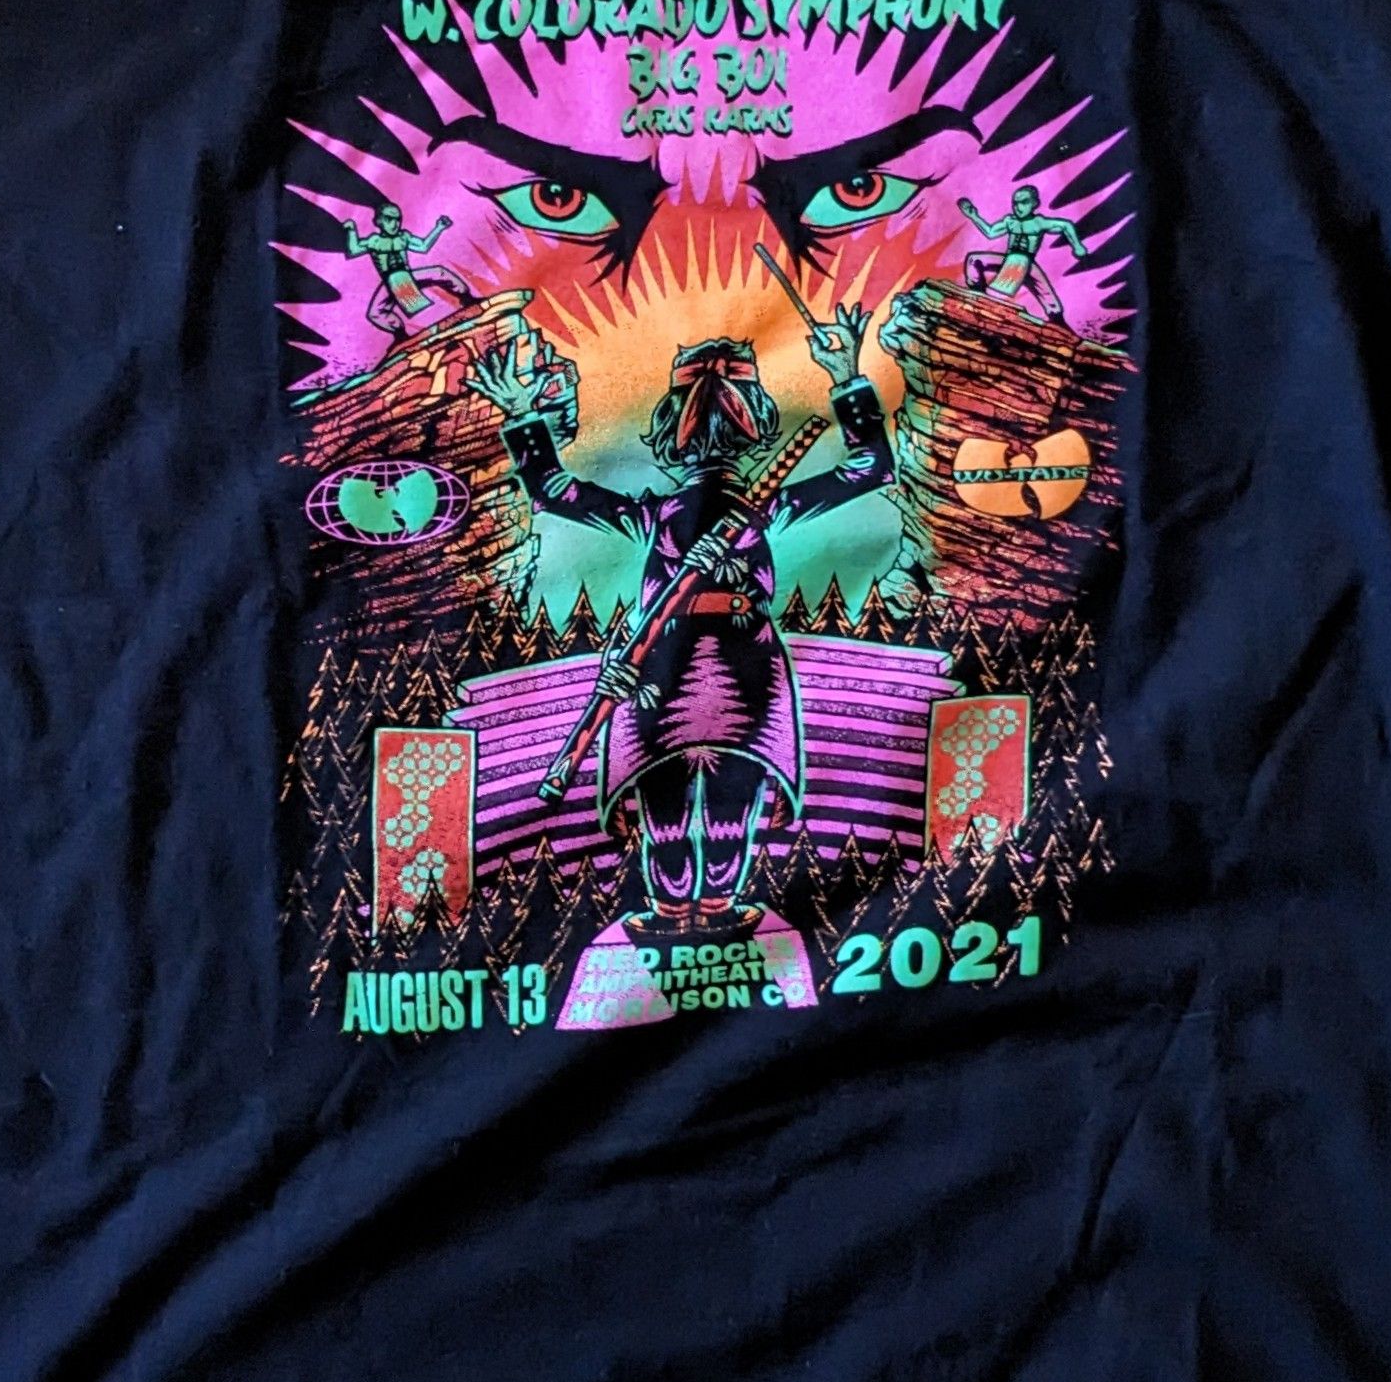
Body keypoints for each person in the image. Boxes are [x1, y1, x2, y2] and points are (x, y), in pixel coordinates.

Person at [471, 309, 892, 937]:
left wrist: (848, 377)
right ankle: (672, 910)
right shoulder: (667, 516)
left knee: (732, 792)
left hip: (742, 665)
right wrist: (520, 414)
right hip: (662, 663)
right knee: (664, 793)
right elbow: (552, 490)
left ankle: (716, 909)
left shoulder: (748, 511)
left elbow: (871, 470)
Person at [957, 182, 1087, 323]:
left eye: (1024, 203)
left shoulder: (1039, 222)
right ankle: (978, 292)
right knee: (974, 259)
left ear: (1034, 203)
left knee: (1050, 301)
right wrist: (974, 216)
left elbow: (1065, 225)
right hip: (1009, 260)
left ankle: (1058, 322)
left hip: (1026, 263)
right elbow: (990, 232)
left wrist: (1077, 246)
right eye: (1015, 203)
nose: (1018, 207)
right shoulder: (1010, 221)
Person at [348, 199, 471, 334]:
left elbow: (423, 246)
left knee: (440, 272)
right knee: (375, 313)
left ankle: (468, 298)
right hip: (390, 282)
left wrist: (439, 228)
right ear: (379, 221)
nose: (395, 224)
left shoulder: (403, 237)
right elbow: (354, 249)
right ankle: (400, 334)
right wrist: (351, 230)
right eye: (389, 219)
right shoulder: (374, 241)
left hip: (409, 275)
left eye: (398, 219)